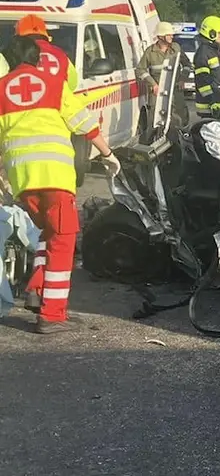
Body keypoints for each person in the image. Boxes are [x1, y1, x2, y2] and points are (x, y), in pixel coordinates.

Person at [0, 35, 119, 333]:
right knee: (64, 241)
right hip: (55, 176)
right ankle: (52, 315)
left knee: (48, 232)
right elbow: (84, 122)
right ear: (37, 59)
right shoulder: (54, 84)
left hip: (23, 181)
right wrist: (108, 154)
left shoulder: (1, 89)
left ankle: (37, 290)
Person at [135, 21, 191, 130]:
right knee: (156, 120)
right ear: (160, 36)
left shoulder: (176, 48)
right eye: (169, 34)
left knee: (180, 119)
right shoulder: (150, 52)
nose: (172, 36)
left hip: (175, 91)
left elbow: (187, 65)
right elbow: (140, 70)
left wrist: (183, 79)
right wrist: (153, 84)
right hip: (158, 93)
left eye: (172, 34)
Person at [15, 15, 78, 91]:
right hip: (56, 101)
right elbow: (73, 84)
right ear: (45, 35)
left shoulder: (15, 54)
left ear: (18, 37)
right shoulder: (60, 54)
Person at [193, 15, 220, 121]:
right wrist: (212, 101)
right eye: (219, 33)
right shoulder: (204, 53)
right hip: (212, 109)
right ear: (212, 33)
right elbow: (202, 82)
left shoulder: (213, 50)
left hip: (219, 106)